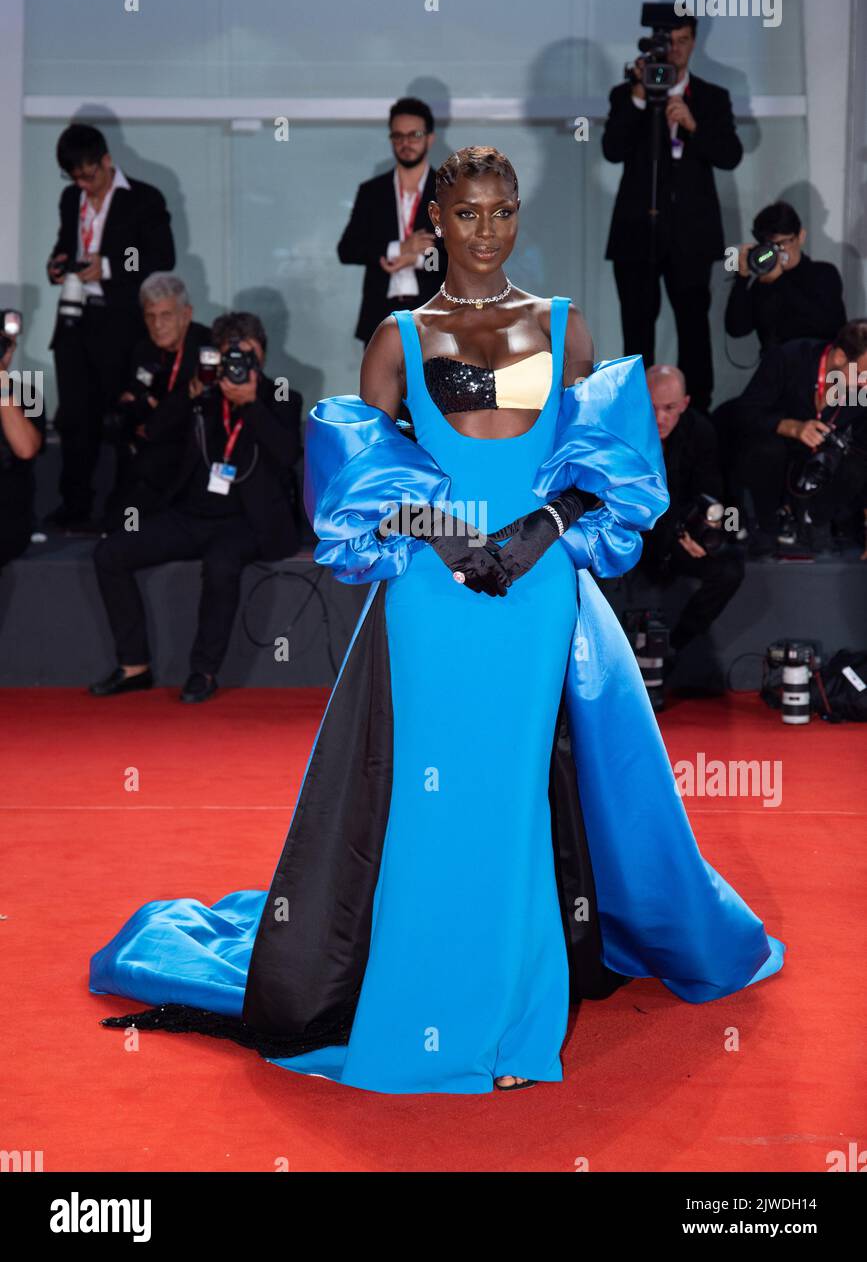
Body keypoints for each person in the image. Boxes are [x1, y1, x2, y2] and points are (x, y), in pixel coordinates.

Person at [89, 148, 784, 1096]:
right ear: (436, 225)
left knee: (511, 807)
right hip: (430, 593)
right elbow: (351, 490)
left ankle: (512, 1026)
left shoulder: (566, 329)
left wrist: (535, 531)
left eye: (504, 213)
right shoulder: (396, 339)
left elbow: (605, 480)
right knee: (430, 807)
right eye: (468, 215)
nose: (488, 231)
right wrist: (449, 535)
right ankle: (425, 1015)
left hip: (536, 594)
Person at [89, 312, 302, 704]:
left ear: (263, 356)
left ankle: (203, 671)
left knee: (221, 565)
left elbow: (288, 453)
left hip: (247, 522)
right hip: (190, 514)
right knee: (110, 554)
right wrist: (189, 394)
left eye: (247, 356)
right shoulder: (202, 393)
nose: (238, 365)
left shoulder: (281, 395)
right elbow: (153, 433)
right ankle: (134, 665)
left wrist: (252, 405)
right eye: (229, 356)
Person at [602, 12, 742, 412]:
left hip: (691, 236)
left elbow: (730, 155)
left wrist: (694, 125)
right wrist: (639, 97)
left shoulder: (712, 97)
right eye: (668, 41)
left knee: (694, 329)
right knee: (637, 330)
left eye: (682, 40)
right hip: (636, 232)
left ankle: (697, 417)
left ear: (694, 42)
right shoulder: (628, 93)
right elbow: (612, 151)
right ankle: (636, 414)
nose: (675, 49)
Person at [46, 123, 176, 531]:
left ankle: (124, 511)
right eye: (76, 178)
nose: (84, 185)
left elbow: (160, 257)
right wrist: (58, 261)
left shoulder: (143, 198)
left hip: (120, 326)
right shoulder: (71, 199)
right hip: (74, 320)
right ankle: (75, 506)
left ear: (106, 160)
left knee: (122, 417)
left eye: (89, 175)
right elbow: (67, 243)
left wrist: (107, 265)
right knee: (74, 420)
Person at [636, 364, 744, 675]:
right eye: (652, 407)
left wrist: (699, 531)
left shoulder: (700, 431)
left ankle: (674, 646)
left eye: (669, 408)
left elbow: (712, 497)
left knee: (730, 567)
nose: (659, 418)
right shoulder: (621, 431)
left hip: (676, 536)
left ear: (684, 404)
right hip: (631, 538)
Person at [728, 321, 867, 556]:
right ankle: (767, 526)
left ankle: (817, 521)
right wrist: (790, 427)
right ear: (841, 357)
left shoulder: (861, 390)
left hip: (821, 461)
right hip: (778, 447)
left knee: (857, 464)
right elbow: (745, 411)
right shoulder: (790, 357)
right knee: (766, 450)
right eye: (864, 373)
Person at [102, 274, 211, 531]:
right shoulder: (143, 350)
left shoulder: (207, 348)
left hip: (194, 450)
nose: (157, 325)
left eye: (166, 315)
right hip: (149, 449)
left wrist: (157, 417)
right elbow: (132, 399)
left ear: (186, 313)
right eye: (150, 316)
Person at [337, 97, 445, 346]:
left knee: (431, 386)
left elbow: (457, 255)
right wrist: (399, 249)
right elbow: (347, 250)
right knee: (379, 386)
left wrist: (418, 259)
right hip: (380, 317)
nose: (405, 143)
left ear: (430, 138)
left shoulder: (447, 190)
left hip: (433, 317)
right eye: (398, 136)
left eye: (414, 135)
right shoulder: (372, 191)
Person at [725, 201, 847, 354]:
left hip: (814, 368)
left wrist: (780, 281)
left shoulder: (823, 273)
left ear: (800, 236)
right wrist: (742, 278)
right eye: (769, 246)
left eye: (782, 244)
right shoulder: (763, 283)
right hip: (774, 370)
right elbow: (737, 329)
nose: (777, 252)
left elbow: (828, 326)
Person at [0, 325, 44, 571]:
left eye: (5, 345)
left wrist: (1, 383)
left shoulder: (29, 393)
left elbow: (26, 449)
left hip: (8, 514)